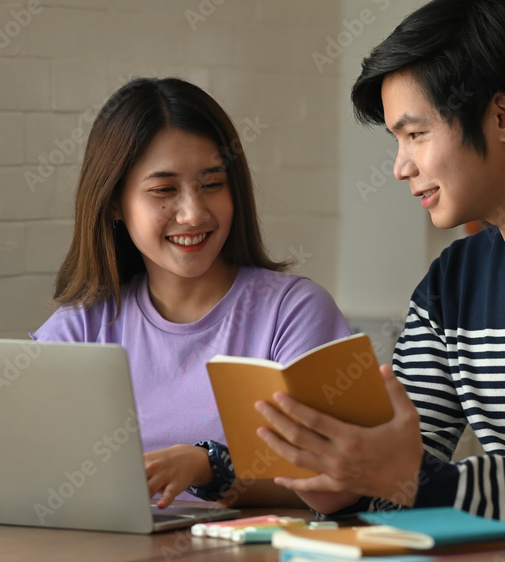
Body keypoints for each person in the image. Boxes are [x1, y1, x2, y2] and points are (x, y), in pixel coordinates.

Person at [254, 0, 505, 533]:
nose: (399, 167)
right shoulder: (451, 283)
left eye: (415, 134)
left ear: (504, 117)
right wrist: (349, 487)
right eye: (396, 140)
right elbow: (401, 472)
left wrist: (420, 482)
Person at [31, 77, 352, 508]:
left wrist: (207, 465)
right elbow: (25, 458)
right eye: (164, 190)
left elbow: (336, 482)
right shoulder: (84, 324)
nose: (193, 212)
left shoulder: (294, 312)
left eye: (212, 183)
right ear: (113, 204)